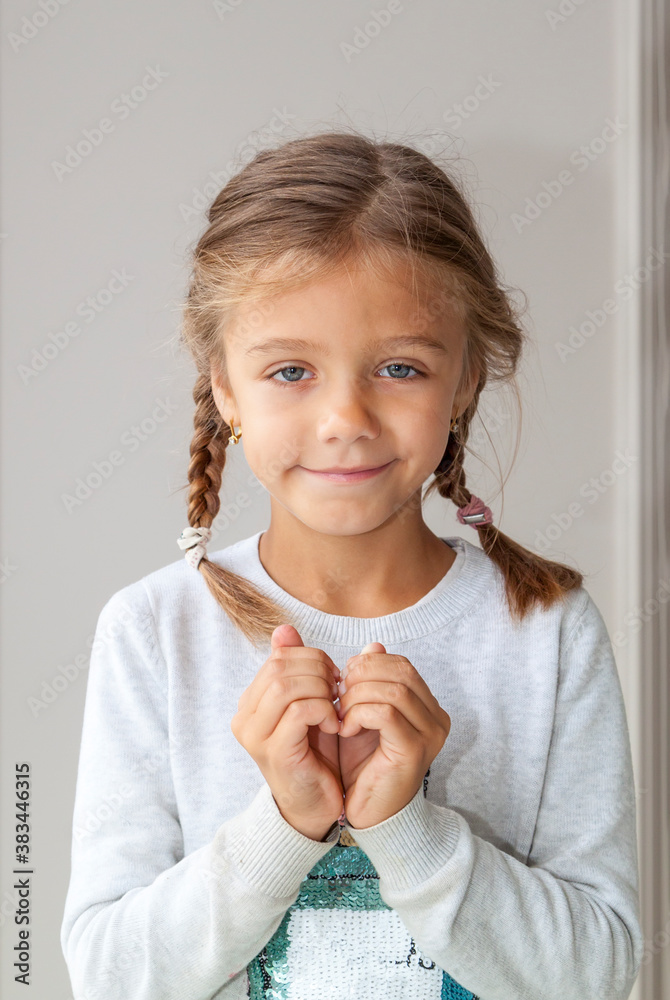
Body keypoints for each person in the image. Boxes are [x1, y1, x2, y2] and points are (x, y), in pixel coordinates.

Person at [60, 130, 643, 1000]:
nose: (346, 417)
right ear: (225, 387)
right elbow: (109, 978)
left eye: (400, 367)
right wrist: (286, 824)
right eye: (291, 370)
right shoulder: (152, 632)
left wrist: (407, 827)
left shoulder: (547, 632)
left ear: (467, 381)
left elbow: (595, 978)